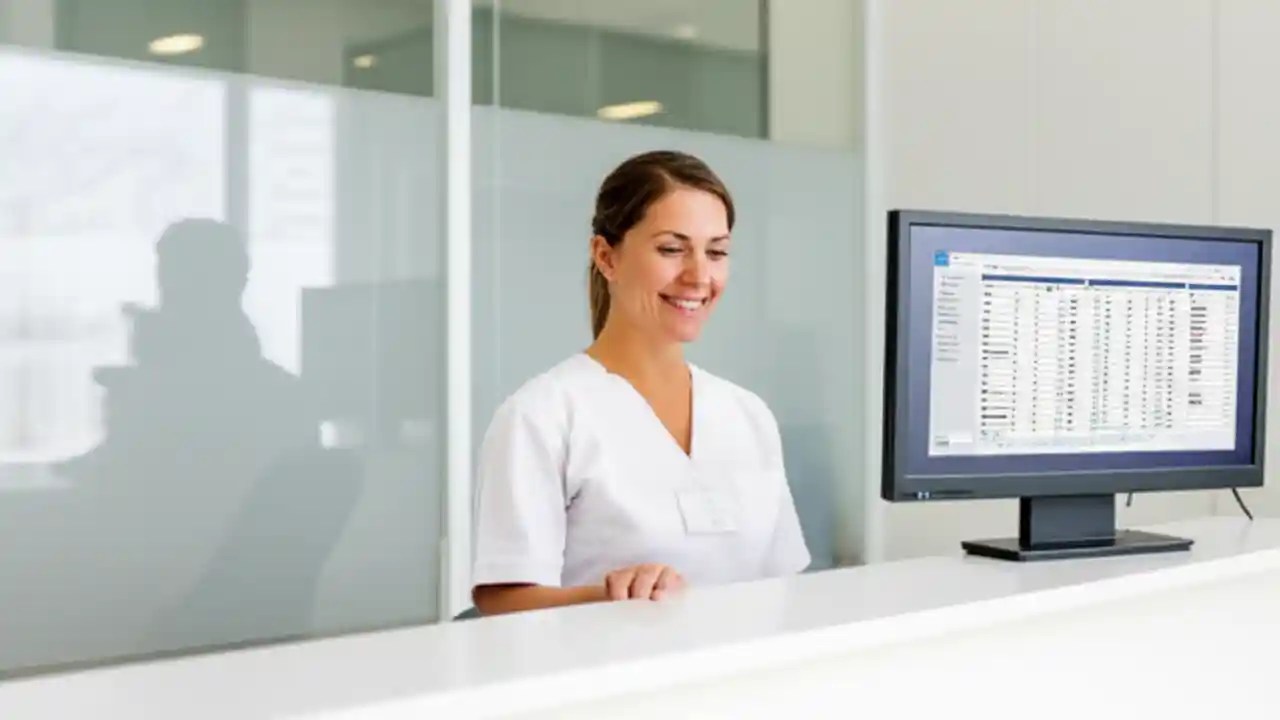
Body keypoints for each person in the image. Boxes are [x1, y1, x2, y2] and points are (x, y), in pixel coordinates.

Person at [471, 150, 810, 616]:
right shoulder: (543, 416)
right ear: (606, 256)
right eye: (672, 249)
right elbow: (501, 602)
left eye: (716, 251)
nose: (699, 276)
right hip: (607, 679)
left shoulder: (748, 414)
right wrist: (615, 596)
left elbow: (784, 588)